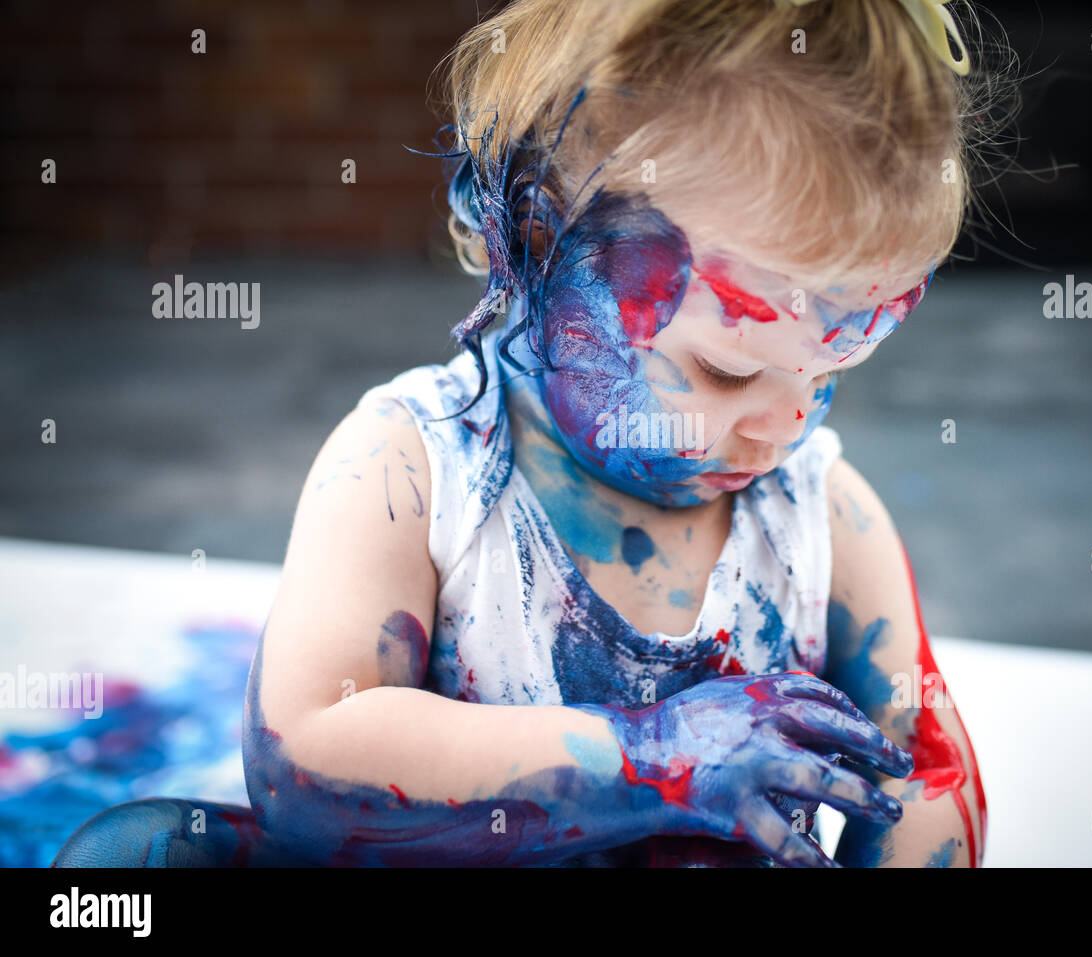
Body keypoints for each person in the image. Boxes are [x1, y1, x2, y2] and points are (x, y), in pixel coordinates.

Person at [56, 0, 1005, 868]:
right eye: (730, 369)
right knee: (130, 860)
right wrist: (653, 757)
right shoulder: (414, 467)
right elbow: (304, 755)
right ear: (536, 238)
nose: (791, 420)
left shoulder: (826, 517)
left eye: (835, 368)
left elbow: (927, 780)